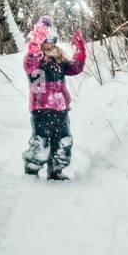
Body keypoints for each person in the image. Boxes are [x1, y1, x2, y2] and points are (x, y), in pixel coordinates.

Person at [22, 15, 86, 180]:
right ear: (40, 41)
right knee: (41, 143)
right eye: (46, 39)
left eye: (53, 39)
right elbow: (30, 66)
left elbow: (75, 68)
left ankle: (56, 171)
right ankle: (31, 171)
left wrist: (80, 50)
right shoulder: (35, 59)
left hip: (61, 108)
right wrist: (35, 45)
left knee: (62, 141)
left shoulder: (58, 58)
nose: (50, 43)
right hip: (42, 109)